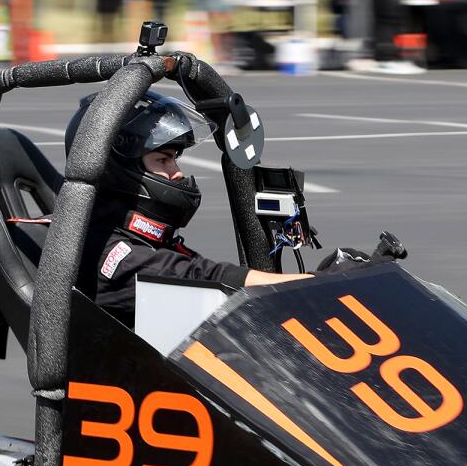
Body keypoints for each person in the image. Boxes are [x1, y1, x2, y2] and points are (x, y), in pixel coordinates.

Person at [66, 92, 310, 328]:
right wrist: (318, 284)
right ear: (118, 170)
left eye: (175, 159)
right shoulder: (107, 250)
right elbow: (208, 280)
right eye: (163, 160)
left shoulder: (135, 236)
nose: (178, 173)